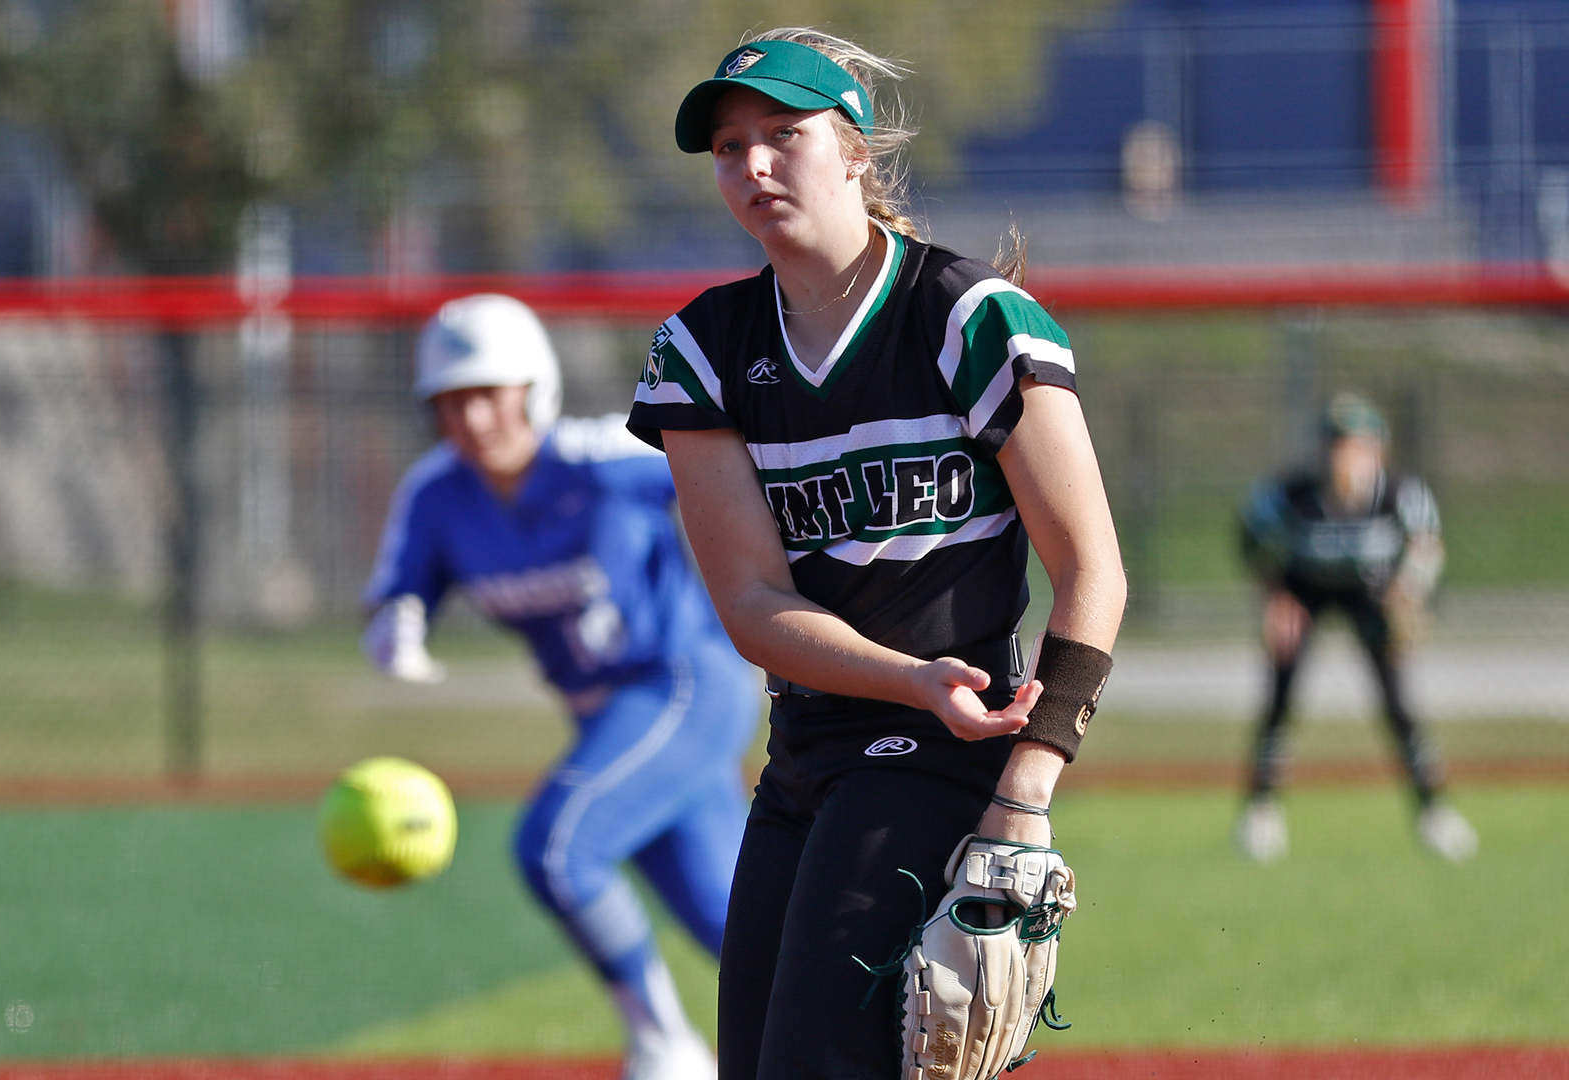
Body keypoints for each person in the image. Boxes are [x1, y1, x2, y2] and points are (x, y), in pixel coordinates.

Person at [627, 29, 1125, 1080]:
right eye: (727, 147)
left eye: (783, 135)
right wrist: (902, 677)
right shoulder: (705, 347)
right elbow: (754, 602)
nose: (753, 165)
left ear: (855, 150)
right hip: (807, 747)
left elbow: (1093, 573)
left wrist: (1024, 793)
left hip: (947, 746)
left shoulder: (966, 318)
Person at [363, 294, 758, 1080]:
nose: (471, 418)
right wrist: (398, 624)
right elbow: (400, 586)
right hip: (612, 723)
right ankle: (889, 1049)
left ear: (532, 388)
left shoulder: (600, 457)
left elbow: (735, 463)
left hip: (687, 686)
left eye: (487, 393)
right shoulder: (438, 494)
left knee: (557, 846)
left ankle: (662, 1044)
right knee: (750, 936)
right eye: (450, 400)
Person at [1235, 391, 1477, 863]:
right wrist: (1276, 596)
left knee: (1397, 702)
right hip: (1304, 587)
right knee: (1281, 696)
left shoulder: (1400, 493)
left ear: (1377, 451)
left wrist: (1408, 594)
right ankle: (1260, 812)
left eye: (1356, 445)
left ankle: (1434, 811)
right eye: (1336, 444)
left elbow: (1426, 544)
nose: (1344, 456)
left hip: (1371, 592)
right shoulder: (1291, 495)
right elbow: (1251, 537)